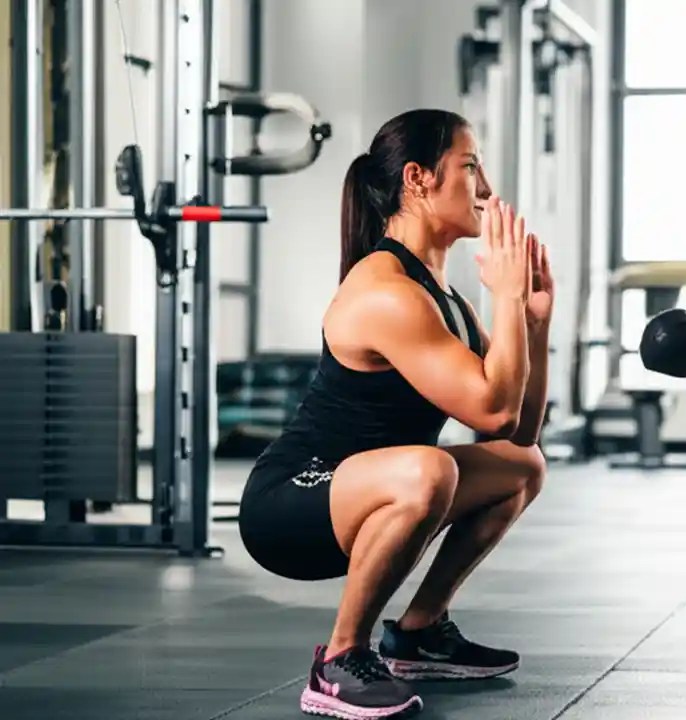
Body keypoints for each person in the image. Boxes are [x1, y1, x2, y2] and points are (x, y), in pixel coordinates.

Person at [237, 109, 554, 720]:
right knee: (428, 470)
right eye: (469, 166)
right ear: (418, 178)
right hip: (291, 502)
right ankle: (338, 661)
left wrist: (533, 325)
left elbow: (513, 428)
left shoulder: (443, 295)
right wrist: (507, 296)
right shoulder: (386, 290)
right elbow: (490, 403)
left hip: (372, 493)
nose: (486, 188)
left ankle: (418, 630)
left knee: (521, 465)